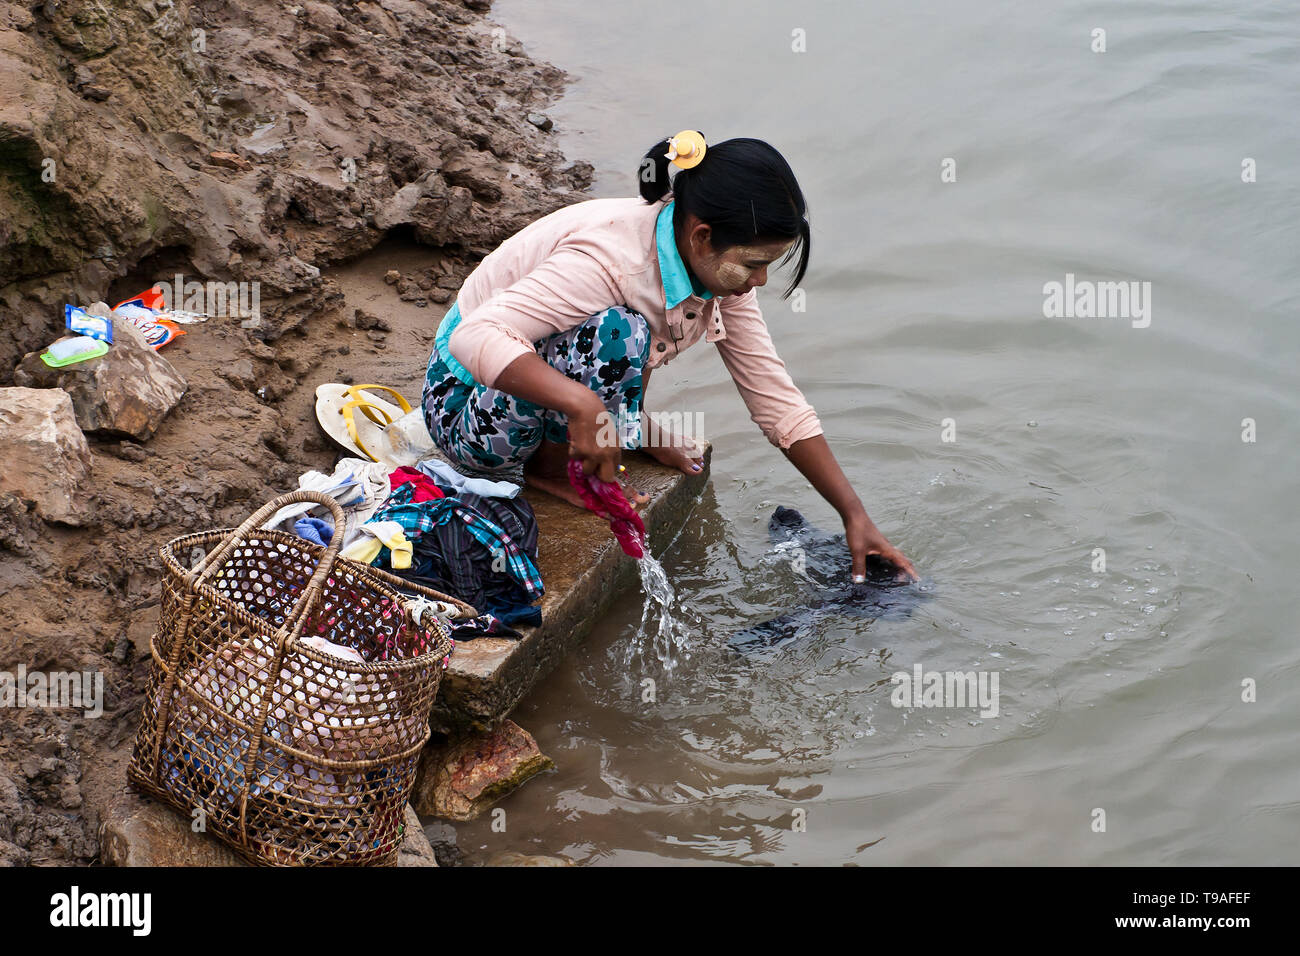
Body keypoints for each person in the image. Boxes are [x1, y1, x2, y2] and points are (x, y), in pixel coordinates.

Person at [422, 131, 916, 582]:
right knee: (619, 333)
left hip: (530, 387)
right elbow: (477, 335)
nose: (759, 281)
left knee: (624, 339)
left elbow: (773, 397)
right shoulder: (611, 258)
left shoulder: (714, 273)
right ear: (702, 236)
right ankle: (549, 469)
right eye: (754, 264)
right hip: (465, 412)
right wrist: (584, 408)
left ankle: (620, 429)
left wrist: (854, 514)